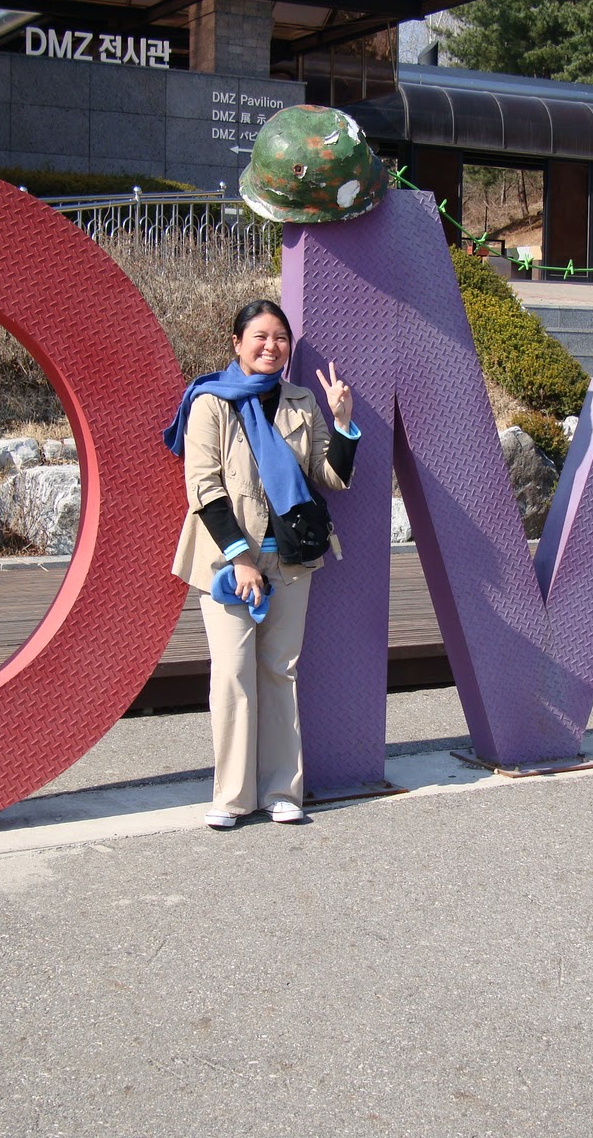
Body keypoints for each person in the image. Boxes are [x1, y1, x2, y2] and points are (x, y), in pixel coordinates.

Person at [164, 300, 359, 828]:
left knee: (279, 671)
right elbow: (203, 486)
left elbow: (330, 477)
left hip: (291, 562)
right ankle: (231, 797)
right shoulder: (210, 403)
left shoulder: (302, 401)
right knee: (232, 673)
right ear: (237, 342)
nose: (271, 346)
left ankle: (281, 791)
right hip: (230, 565)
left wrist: (342, 424)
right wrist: (239, 558)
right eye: (260, 336)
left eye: (280, 338)